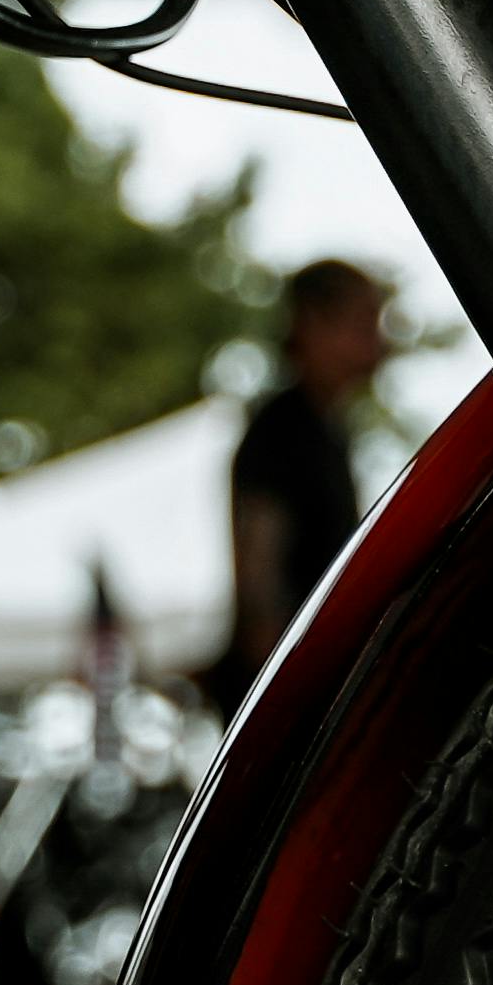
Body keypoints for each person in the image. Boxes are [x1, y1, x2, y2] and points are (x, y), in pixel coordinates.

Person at [216, 259, 391, 701]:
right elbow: (259, 571)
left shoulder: (322, 427)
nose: (379, 341)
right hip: (293, 683)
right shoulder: (283, 431)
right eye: (363, 322)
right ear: (312, 324)